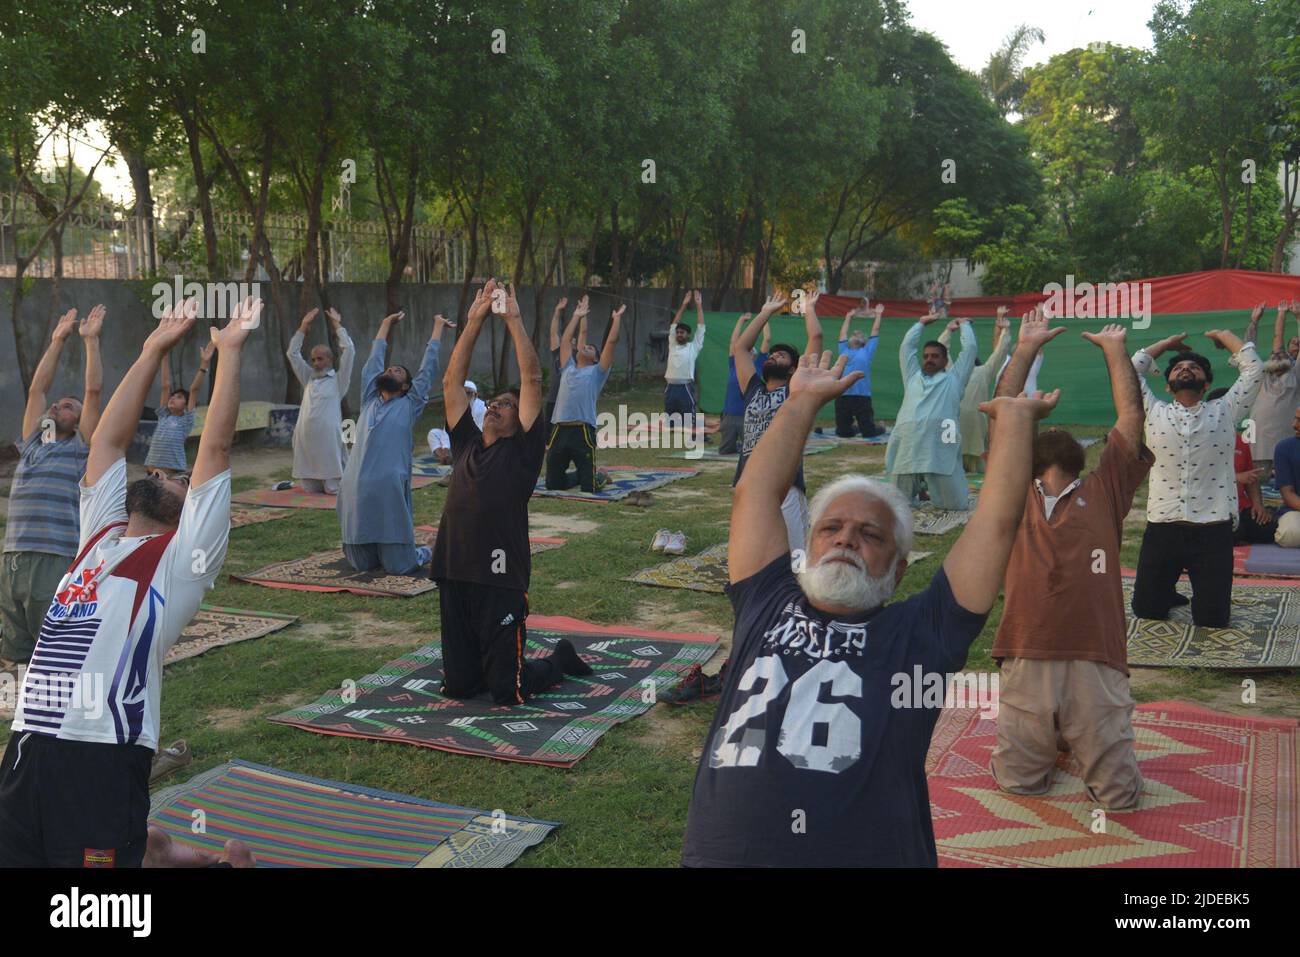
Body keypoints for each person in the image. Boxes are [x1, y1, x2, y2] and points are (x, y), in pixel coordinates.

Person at [680, 350, 1058, 867]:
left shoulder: (924, 632)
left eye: (869, 534)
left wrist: (1014, 424)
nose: (845, 540)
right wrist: (802, 401)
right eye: (830, 528)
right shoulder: (765, 599)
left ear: (899, 569)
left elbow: (995, 521)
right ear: (807, 546)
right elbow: (754, 492)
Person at [0, 296, 259, 867]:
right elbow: (108, 443)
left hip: (102, 757)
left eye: (177, 478)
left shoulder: (182, 561)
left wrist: (230, 352)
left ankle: (176, 858)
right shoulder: (98, 536)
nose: (162, 473)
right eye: (162, 470)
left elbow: (214, 448)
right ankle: (161, 854)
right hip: (27, 749)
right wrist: (150, 349)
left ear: (191, 506)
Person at [990, 318, 1152, 811]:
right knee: (1019, 785)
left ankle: (1070, 733)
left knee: (1118, 798)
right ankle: (1056, 735)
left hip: (1094, 655)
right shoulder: (1013, 491)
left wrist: (1114, 350)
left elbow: (1130, 418)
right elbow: (1003, 415)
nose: (1056, 430)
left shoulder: (1105, 490)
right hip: (1026, 647)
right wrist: (1024, 348)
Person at [431, 280, 591, 703]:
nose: (497, 407)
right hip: (453, 570)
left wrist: (514, 320)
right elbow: (452, 380)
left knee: (508, 691)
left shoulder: (522, 452)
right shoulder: (465, 442)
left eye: (507, 405)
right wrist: (474, 320)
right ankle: (487, 663)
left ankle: (558, 660)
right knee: (460, 689)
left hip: (499, 577)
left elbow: (533, 377)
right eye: (494, 403)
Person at [1129, 328, 1262, 627]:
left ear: (1206, 384)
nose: (1186, 368)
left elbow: (1255, 368)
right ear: (1167, 386)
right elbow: (1130, 371)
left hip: (1212, 531)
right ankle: (1166, 590)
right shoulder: (1153, 412)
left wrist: (1225, 336)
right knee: (1147, 610)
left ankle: (1187, 591)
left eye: (1194, 367)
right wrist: (1165, 343)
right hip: (1164, 527)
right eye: (1178, 368)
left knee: (1212, 620)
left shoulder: (1226, 410)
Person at [1, 306, 104, 667]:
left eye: (69, 406)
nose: (59, 405)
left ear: (78, 422)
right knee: (16, 649)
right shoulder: (36, 442)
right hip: (12, 558)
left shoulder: (81, 449)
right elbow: (37, 390)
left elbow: (93, 391)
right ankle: (24, 713)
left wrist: (89, 341)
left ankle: (60, 708)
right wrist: (56, 341)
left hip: (54, 557)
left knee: (53, 646)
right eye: (58, 404)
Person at [337, 310, 451, 576]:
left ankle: (427, 549)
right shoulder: (369, 399)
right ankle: (376, 548)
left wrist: (437, 328)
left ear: (406, 387)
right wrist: (385, 324)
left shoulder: (410, 404)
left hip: (388, 487)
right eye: (389, 369)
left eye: (397, 371)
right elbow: (373, 362)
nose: (390, 370)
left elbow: (428, 368)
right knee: (362, 564)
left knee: (400, 566)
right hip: (356, 487)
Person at [732, 290, 823, 553]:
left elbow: (815, 338)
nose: (773, 357)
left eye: (781, 356)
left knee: (795, 554)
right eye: (772, 355)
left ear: (794, 369)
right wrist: (766, 312)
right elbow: (741, 348)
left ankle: (798, 592)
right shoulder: (753, 389)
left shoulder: (795, 391)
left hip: (784, 482)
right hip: (747, 482)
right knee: (753, 551)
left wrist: (808, 307)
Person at [886, 311, 978, 508]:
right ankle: (916, 490)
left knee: (954, 505)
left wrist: (964, 325)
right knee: (897, 505)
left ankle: (935, 490)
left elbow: (969, 349)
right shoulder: (912, 377)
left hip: (942, 439)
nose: (929, 359)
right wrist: (920, 324)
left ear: (945, 361)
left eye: (935, 356)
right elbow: (906, 348)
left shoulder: (955, 379)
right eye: (926, 356)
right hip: (908, 440)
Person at [545, 302, 623, 492]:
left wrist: (617, 319)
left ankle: (600, 475)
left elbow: (611, 343)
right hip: (559, 429)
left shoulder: (597, 372)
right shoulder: (567, 368)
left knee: (590, 488)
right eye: (584, 345)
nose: (585, 346)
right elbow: (565, 341)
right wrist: (576, 315)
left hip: (583, 431)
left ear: (595, 358)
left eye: (590, 348)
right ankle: (582, 475)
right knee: (553, 485)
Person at [286, 306, 355, 495]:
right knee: (309, 489)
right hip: (305, 436)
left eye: (320, 359)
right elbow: (292, 354)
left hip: (328, 437)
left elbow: (349, 350)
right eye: (314, 359)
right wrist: (303, 326)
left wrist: (337, 324)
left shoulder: (338, 380)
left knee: (333, 488)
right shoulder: (308, 377)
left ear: (330, 360)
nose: (315, 363)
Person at [938, 307, 1013, 473]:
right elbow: (1001, 352)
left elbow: (942, 349)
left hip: (953, 421)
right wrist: (1006, 331)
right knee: (977, 467)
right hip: (974, 424)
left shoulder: (953, 370)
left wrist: (948, 331)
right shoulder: (983, 372)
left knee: (949, 464)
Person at [1207, 386, 1277, 544]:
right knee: (1233, 533)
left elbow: (1251, 479)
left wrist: (1258, 505)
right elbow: (1200, 479)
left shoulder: (1240, 441)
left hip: (1240, 506)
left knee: (1269, 529)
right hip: (1213, 509)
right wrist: (1237, 478)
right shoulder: (1200, 440)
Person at [1244, 301, 1298, 480]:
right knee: (1261, 493)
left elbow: (1280, 344)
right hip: (1258, 448)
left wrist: (1298, 318)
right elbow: (1247, 350)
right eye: (1274, 355)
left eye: (1282, 355)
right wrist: (1254, 321)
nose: (1277, 356)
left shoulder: (1295, 377)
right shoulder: (1258, 377)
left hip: (1289, 447)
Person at [145, 338, 213, 475]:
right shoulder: (163, 415)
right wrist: (164, 355)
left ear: (186, 405)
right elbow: (165, 385)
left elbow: (194, 389)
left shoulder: (185, 420)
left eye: (179, 397)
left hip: (172, 475)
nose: (172, 398)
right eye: (173, 396)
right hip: (151, 474)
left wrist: (204, 365)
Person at [835, 299, 886, 438]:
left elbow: (875, 331)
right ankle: (855, 428)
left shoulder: (867, 351)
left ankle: (880, 427)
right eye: (853, 334)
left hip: (862, 396)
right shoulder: (844, 349)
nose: (855, 333)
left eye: (858, 334)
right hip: (843, 395)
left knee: (869, 434)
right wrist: (848, 317)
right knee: (842, 433)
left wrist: (878, 315)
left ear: (864, 342)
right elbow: (843, 333)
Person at [719, 313, 769, 455]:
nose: (747, 351)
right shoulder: (734, 364)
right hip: (729, 415)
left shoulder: (758, 365)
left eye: (750, 350)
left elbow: (767, 339)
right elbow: (734, 343)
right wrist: (740, 320)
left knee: (752, 451)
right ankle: (738, 445)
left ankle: (743, 445)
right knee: (725, 451)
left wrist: (765, 316)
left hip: (749, 417)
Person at [664, 290, 705, 434]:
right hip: (670, 388)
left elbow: (701, 328)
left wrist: (698, 305)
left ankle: (699, 437)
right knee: (670, 422)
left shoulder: (693, 347)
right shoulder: (672, 344)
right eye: (678, 332)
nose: (679, 334)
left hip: (685, 388)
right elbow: (673, 325)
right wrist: (684, 305)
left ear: (688, 335)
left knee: (689, 421)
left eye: (682, 332)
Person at [1270, 406, 1300, 547]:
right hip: (1296, 511)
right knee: (1289, 534)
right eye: (1296, 419)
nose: (1294, 425)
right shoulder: (1285, 448)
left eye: (1299, 420)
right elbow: (1288, 494)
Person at [545, 296, 575, 425]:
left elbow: (583, 333)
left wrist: (580, 315)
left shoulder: (578, 356)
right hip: (553, 399)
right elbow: (553, 333)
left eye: (572, 340)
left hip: (569, 401)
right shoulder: (557, 351)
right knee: (548, 437)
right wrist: (557, 311)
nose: (568, 340)